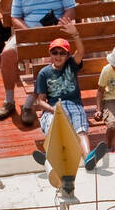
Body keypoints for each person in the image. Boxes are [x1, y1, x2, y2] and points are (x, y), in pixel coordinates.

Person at [0, 0, 77, 123]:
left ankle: (29, 104)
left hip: (54, 33)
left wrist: (59, 27)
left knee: (51, 60)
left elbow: (70, 9)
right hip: (28, 32)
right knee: (7, 54)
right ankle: (9, 100)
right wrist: (28, 33)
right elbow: (15, 18)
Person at [34, 31, 105, 170]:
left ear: (67, 56)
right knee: (53, 129)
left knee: (80, 130)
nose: (58, 56)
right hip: (54, 107)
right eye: (55, 53)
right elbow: (40, 101)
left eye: (62, 53)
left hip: (73, 105)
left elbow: (81, 51)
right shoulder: (44, 73)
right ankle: (51, 159)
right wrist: (53, 109)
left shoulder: (71, 65)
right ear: (50, 54)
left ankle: (88, 157)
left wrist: (75, 35)